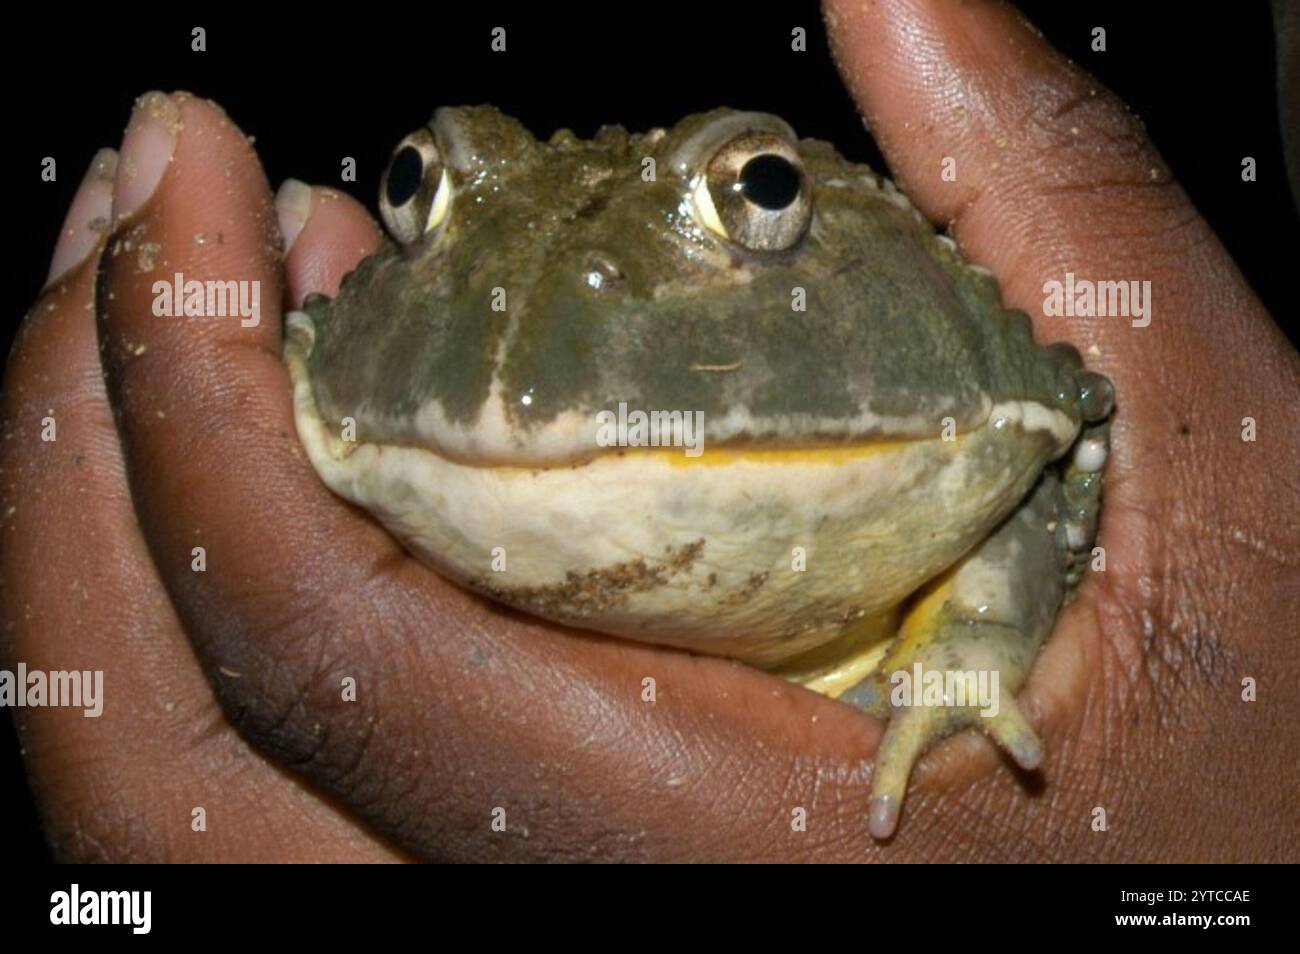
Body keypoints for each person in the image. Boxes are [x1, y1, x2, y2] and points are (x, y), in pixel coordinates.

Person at [4, 0, 1297, 861]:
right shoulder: (356, 377)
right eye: (414, 189)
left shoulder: (982, 428)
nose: (551, 336)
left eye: (760, 193)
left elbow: (1059, 447)